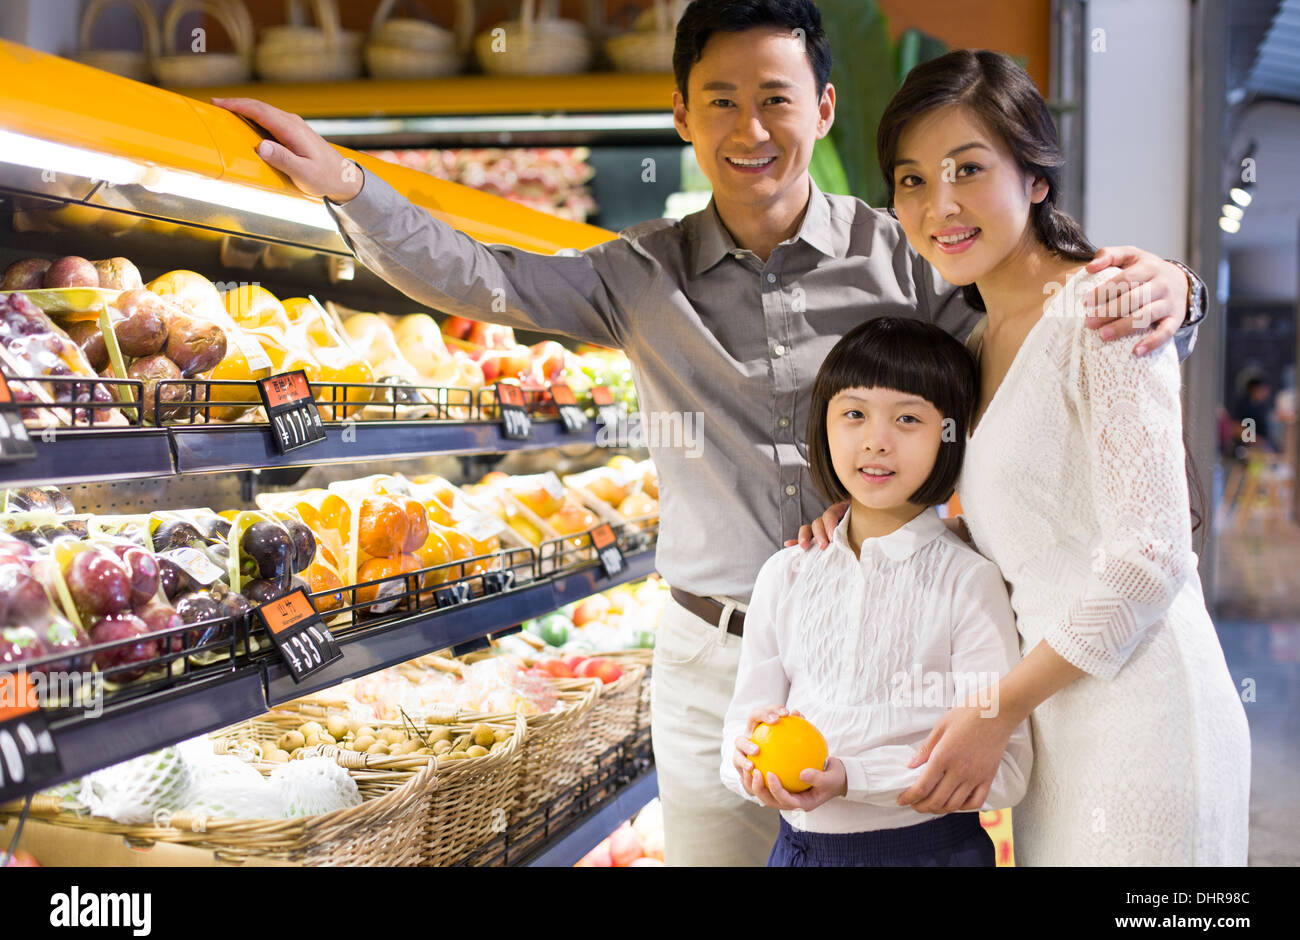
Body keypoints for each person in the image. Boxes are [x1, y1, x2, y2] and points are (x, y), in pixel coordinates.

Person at [214, 0, 1201, 866]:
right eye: (719, 100)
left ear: (821, 109)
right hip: (707, 657)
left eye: (775, 96)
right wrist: (350, 187)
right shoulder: (635, 274)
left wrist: (1176, 293)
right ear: (681, 117)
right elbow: (488, 277)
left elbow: (1039, 345)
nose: (750, 127)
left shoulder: (900, 252)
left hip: (883, 648)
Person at [800, 50, 1249, 865]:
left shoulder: (1102, 310)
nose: (941, 205)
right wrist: (861, 518)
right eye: (912, 181)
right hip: (1056, 719)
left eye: (968, 169)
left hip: (1143, 713)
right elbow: (1023, 523)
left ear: (1036, 178)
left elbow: (1150, 559)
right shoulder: (974, 341)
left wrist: (995, 708)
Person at [721, 316, 1031, 866]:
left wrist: (853, 779)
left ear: (952, 435)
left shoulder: (968, 582)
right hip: (797, 852)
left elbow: (1005, 769)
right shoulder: (785, 574)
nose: (875, 441)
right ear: (824, 427)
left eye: (908, 418)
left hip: (928, 853)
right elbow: (740, 727)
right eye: (854, 414)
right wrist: (749, 766)